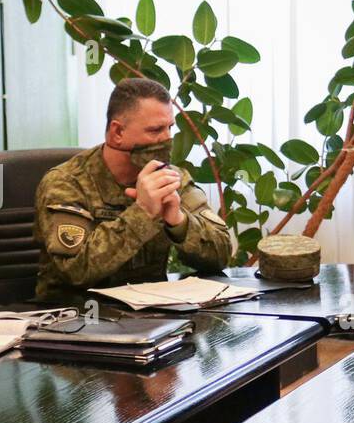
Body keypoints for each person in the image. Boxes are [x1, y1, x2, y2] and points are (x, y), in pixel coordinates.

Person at [34, 78, 231, 300]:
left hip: (153, 317)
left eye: (169, 128)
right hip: (77, 319)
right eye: (156, 130)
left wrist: (179, 221)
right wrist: (143, 213)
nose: (167, 139)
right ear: (117, 132)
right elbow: (76, 270)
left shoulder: (171, 177)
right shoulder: (67, 182)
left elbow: (222, 253)